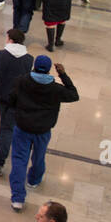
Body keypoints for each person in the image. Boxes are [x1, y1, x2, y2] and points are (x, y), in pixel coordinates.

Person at [7, 56, 79, 211]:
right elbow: (74, 95)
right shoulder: (56, 89)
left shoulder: (22, 81)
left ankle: (18, 198)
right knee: (39, 156)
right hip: (43, 130)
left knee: (19, 160)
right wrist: (63, 75)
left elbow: (11, 99)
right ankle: (33, 180)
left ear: (34, 66)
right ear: (48, 69)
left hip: (22, 128)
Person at [0, 28, 35, 178]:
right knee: (8, 126)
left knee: (6, 127)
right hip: (18, 100)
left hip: (1, 96)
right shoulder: (29, 59)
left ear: (10, 39)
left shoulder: (0, 55)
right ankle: (3, 149)